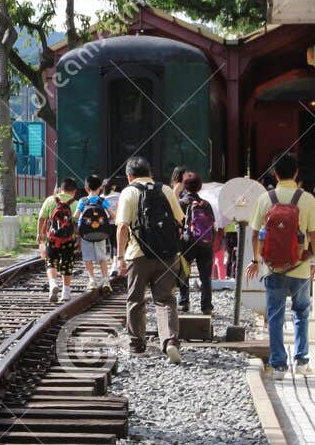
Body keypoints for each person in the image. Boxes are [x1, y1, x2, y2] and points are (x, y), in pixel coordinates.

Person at [247, 151, 315, 378]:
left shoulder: (265, 199)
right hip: (300, 267)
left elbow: (254, 234)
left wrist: (256, 260)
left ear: (275, 173)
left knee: (275, 315)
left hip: (272, 268)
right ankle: (301, 361)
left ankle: (279, 365)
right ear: (296, 172)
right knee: (301, 313)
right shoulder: (307, 199)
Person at [113, 155, 185, 364]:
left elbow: (122, 227)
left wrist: (119, 257)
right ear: (150, 173)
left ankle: (137, 345)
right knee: (166, 299)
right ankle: (170, 341)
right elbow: (180, 220)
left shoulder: (129, 192)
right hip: (167, 255)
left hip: (138, 255)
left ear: (130, 176)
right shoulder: (166, 190)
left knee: (135, 299)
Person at [177, 171, 216, 315]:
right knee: (205, 276)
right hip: (205, 243)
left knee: (184, 272)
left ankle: (184, 303)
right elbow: (212, 225)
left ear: (184, 186)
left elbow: (177, 224)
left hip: (187, 242)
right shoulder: (206, 204)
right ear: (199, 186)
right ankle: (206, 306)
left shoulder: (181, 203)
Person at [36, 176, 80, 302]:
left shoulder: (50, 200)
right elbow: (78, 223)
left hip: (52, 238)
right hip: (69, 239)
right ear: (74, 191)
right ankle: (66, 292)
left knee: (50, 261)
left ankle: (53, 284)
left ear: (60, 189)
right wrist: (79, 239)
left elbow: (41, 218)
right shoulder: (76, 203)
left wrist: (39, 234)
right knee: (67, 263)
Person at [74, 173, 115, 295]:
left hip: (86, 233)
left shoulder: (83, 200)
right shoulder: (102, 200)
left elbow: (76, 216)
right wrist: (104, 222)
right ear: (100, 188)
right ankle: (106, 280)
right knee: (102, 258)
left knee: (87, 258)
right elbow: (113, 215)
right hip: (100, 233)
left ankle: (92, 280)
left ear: (86, 188)